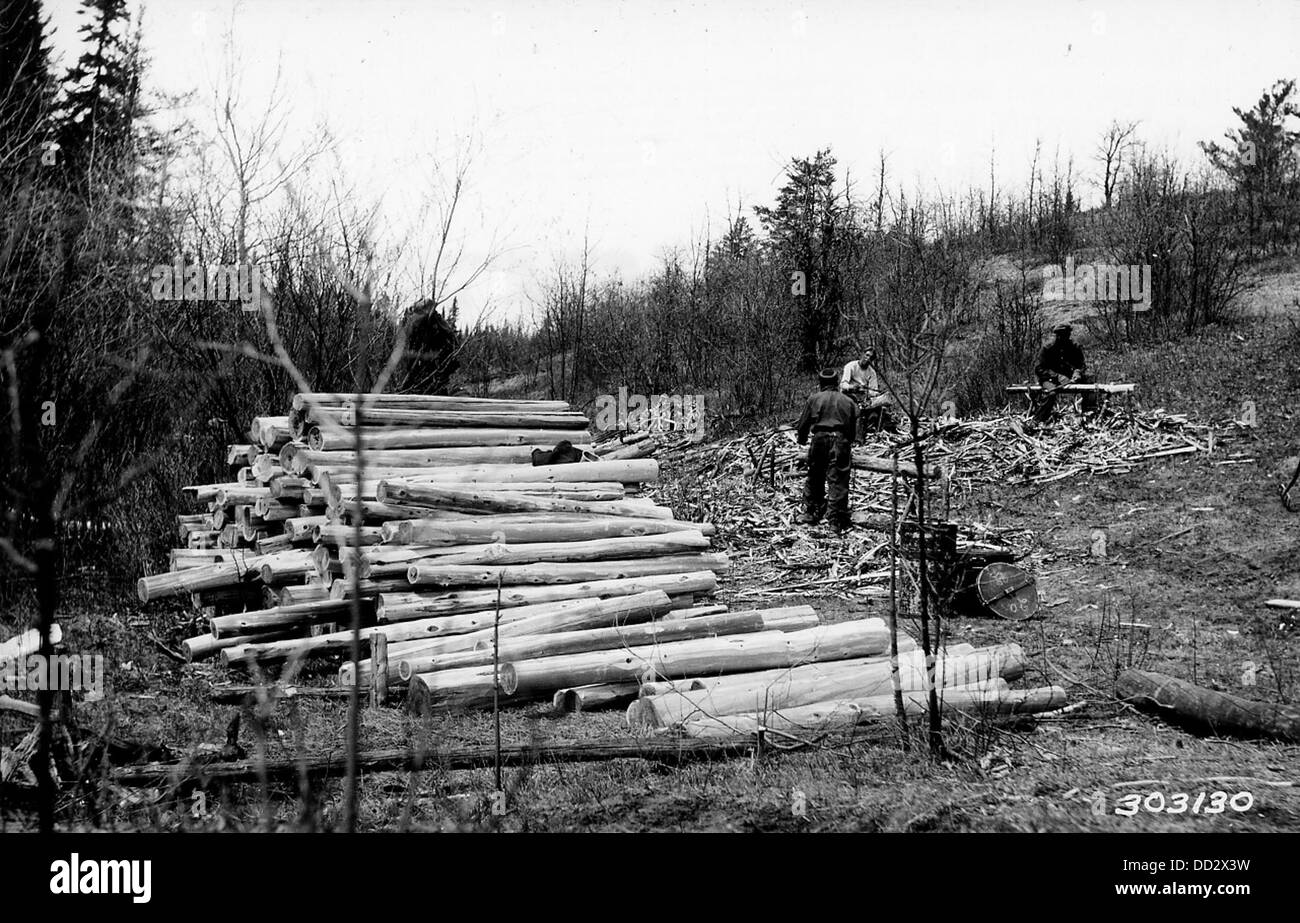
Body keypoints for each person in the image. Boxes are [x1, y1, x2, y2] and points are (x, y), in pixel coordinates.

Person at [795, 367, 858, 532]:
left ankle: (811, 512)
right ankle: (835, 521)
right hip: (840, 440)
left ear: (821, 383)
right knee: (838, 479)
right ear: (836, 382)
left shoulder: (814, 399)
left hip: (819, 440)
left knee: (815, 475)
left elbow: (803, 425)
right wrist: (847, 442)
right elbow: (853, 429)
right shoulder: (848, 401)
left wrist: (801, 439)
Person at [1032, 323, 1096, 423]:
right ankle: (1039, 420)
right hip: (1048, 379)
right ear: (1058, 336)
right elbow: (1039, 369)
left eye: (1067, 335)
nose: (1065, 338)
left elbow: (1081, 364)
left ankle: (1088, 415)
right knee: (1051, 393)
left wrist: (1077, 372)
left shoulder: (1074, 347)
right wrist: (1056, 376)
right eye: (1062, 335)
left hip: (1069, 377)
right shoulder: (1047, 348)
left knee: (1089, 385)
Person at [840, 349, 896, 437]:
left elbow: (872, 391)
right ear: (862, 354)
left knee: (879, 411)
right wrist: (853, 387)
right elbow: (843, 385)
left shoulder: (872, 372)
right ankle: (857, 436)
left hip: (862, 398)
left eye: (871, 357)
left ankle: (880, 430)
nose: (867, 358)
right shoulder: (851, 366)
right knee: (857, 412)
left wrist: (879, 395)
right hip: (848, 395)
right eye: (866, 355)